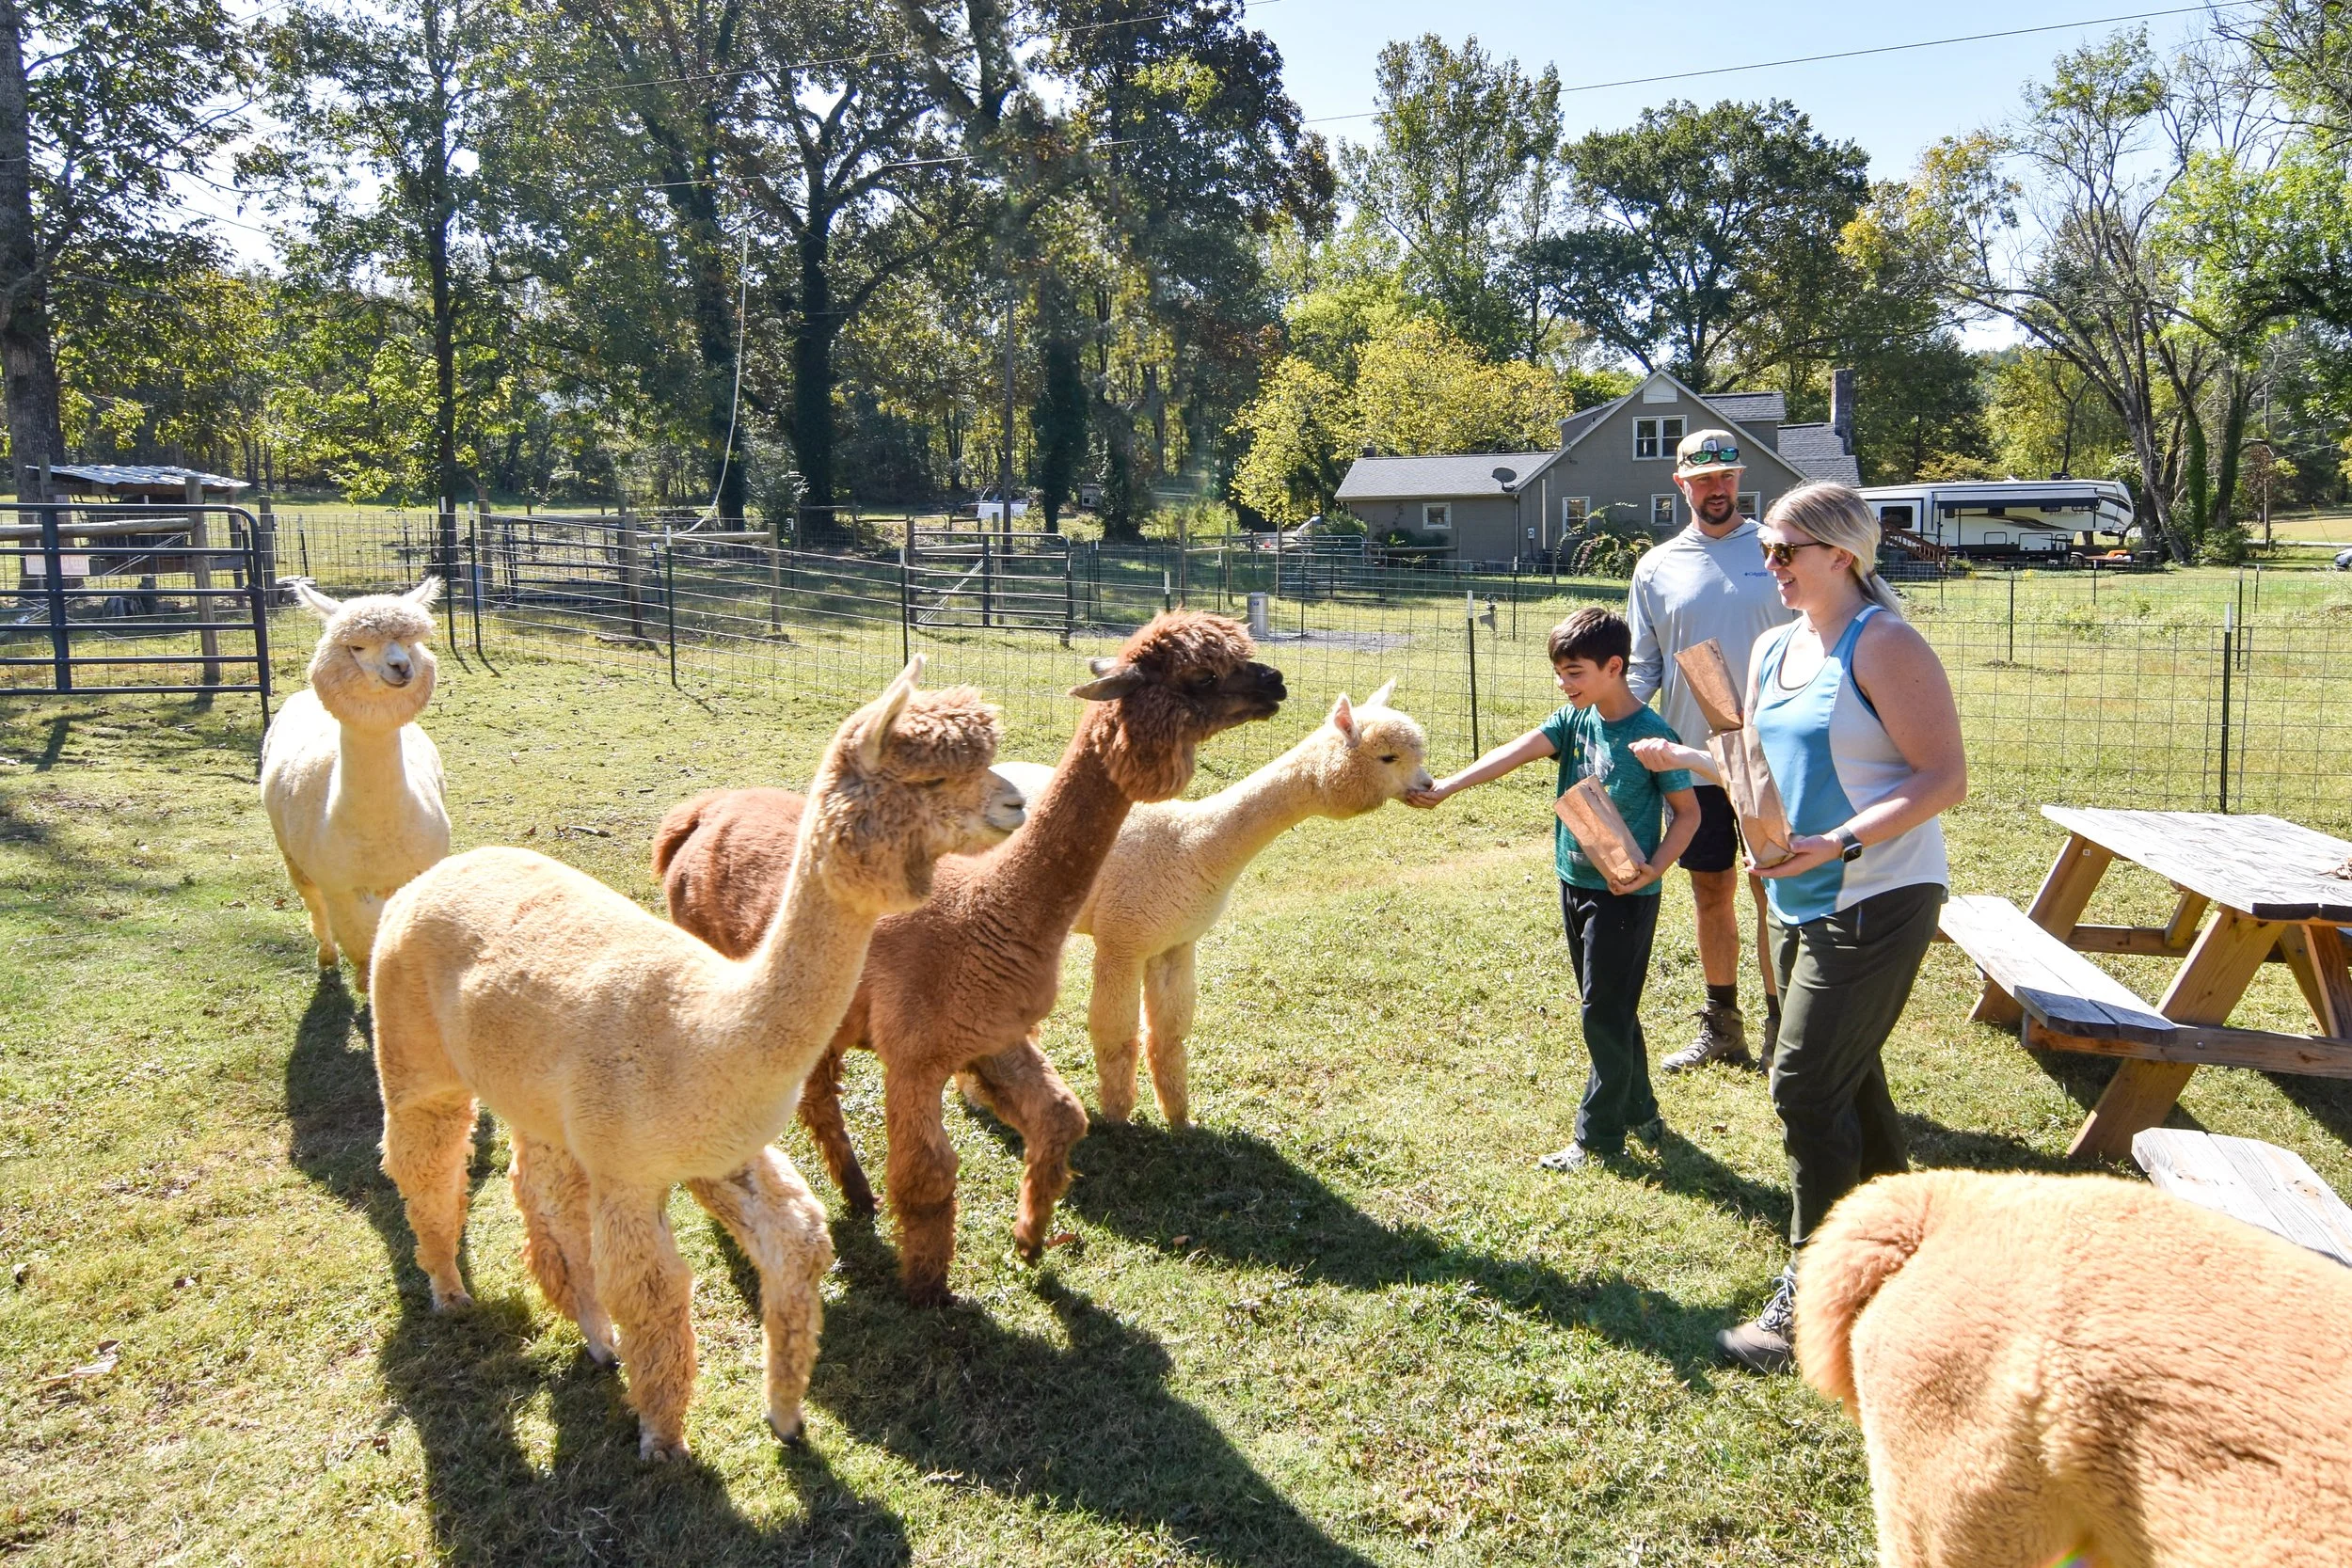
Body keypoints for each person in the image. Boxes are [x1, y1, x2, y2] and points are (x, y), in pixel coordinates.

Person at [1630, 483, 1966, 1373]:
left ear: (1842, 554)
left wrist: (1834, 842)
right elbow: (1763, 760)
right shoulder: (1778, 645)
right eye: (1769, 550)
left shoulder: (1885, 643)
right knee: (1848, 1081)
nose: (1769, 564)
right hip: (1799, 894)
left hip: (1879, 892)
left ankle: (1816, 1291)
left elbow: (1943, 778)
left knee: (1802, 1084)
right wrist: (1694, 758)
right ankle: (1920, 1252)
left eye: (1785, 551)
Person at [1407, 607, 1700, 1170]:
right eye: (1560, 674)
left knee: (1601, 1012)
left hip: (1626, 896)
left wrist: (1655, 869)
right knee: (1612, 1007)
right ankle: (1640, 1110)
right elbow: (1512, 754)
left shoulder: (1653, 736)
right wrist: (1448, 788)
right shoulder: (1575, 721)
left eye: (1575, 673)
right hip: (1575, 883)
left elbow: (1687, 815)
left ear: (1614, 667)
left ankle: (1598, 1139)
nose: (1563, 684)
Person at [1625, 428, 1794, 1073]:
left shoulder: (1777, 550)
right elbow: (1645, 668)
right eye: (1703, 478)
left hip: (1769, 759)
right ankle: (1723, 1024)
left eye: (1727, 476)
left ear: (1740, 479)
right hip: (1691, 760)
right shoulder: (1657, 567)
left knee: (1772, 891)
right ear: (1681, 484)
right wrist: (1611, 722)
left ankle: (1785, 1030)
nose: (1717, 488)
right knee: (1709, 890)